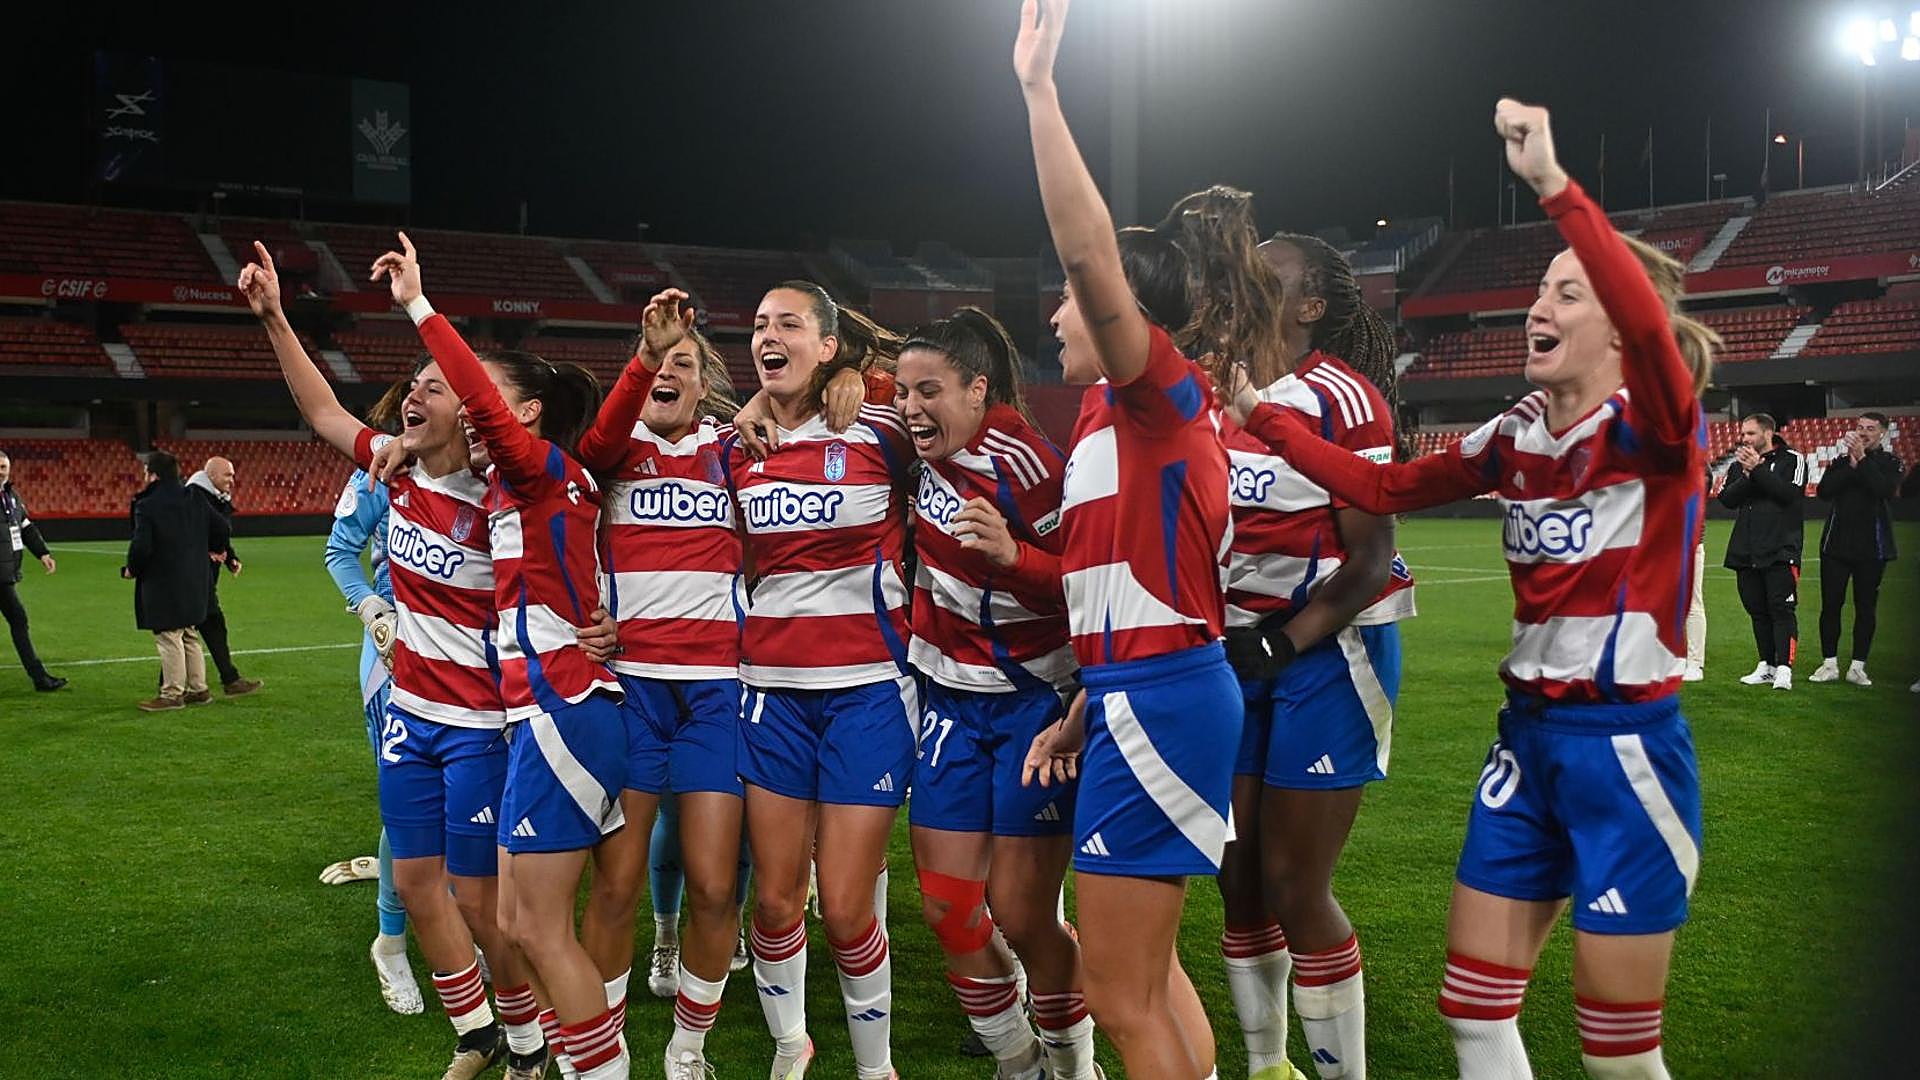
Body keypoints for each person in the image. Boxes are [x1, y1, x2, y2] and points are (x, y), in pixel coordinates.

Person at [1225, 98, 1716, 1080]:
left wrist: (1552, 188)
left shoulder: (1658, 432)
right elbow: (1382, 488)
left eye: (1570, 295)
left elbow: (1655, 342)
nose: (1541, 305)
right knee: (1474, 1013)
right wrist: (1262, 418)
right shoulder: (1518, 432)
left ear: (1625, 327)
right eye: (1541, 288)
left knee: (1618, 1051)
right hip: (1525, 741)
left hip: (1624, 744)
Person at [240, 240, 541, 1080]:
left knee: (481, 905)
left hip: (486, 726)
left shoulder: (506, 501)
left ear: (475, 412)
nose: (415, 390)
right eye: (415, 382)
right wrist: (273, 319)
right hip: (412, 715)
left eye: (435, 386)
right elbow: (324, 414)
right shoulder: (394, 477)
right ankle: (478, 1032)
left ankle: (527, 1044)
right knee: (415, 886)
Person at [1014, 3, 1240, 1076]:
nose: (1055, 311)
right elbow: (1130, 588)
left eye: (1070, 299)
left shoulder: (1154, 397)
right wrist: (1079, 706)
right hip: (1136, 695)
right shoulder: (1114, 416)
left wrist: (1040, 91)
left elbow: (1087, 250)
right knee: (1148, 981)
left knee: (1115, 992)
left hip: (1162, 699)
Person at [371, 233, 632, 1080]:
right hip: (542, 715)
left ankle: (594, 1067)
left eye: (486, 404)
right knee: (520, 927)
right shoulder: (544, 479)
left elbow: (482, 406)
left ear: (517, 415)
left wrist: (418, 305)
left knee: (538, 931)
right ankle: (550, 1058)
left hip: (561, 711)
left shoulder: (535, 472)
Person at [1212, 211, 1416, 1080]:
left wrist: (1283, 643)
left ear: (1311, 308)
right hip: (1234, 654)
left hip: (1329, 654)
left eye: (1271, 277)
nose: (1246, 289)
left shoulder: (1345, 399)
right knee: (1236, 877)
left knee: (1297, 884)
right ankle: (1268, 1066)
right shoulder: (1210, 392)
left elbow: (1370, 557)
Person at [892, 307, 1100, 1080]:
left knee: (1020, 911)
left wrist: (1015, 556)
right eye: (903, 390)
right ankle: (1019, 1062)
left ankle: (1073, 1063)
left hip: (1031, 705)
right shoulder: (917, 443)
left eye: (930, 391)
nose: (911, 407)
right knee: (949, 908)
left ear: (978, 390)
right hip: (948, 702)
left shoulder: (1026, 460)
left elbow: (1087, 580)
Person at [723, 279, 914, 1080]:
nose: (769, 335)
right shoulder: (739, 447)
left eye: (790, 324)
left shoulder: (882, 431)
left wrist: (866, 380)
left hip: (870, 689)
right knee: (772, 901)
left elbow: (940, 383)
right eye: (760, 323)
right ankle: (789, 1045)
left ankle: (877, 1068)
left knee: (843, 903)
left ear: (829, 345)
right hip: (770, 691)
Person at [572, 294, 755, 1078]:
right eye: (658, 362)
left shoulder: (735, 450)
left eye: (686, 361)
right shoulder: (611, 452)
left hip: (716, 691)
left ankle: (687, 1051)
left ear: (708, 383)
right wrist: (648, 354)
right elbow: (601, 434)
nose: (668, 371)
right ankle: (603, 1051)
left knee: (716, 887)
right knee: (613, 890)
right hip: (631, 690)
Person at [321, 376, 423, 1016]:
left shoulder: (483, 467)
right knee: (405, 809)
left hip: (477, 665)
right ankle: (390, 941)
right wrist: (370, 606)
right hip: (394, 662)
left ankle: (479, 931)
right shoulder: (384, 466)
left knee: (483, 801)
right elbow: (340, 552)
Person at [124, 450, 231, 712]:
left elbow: (142, 546)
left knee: (169, 635)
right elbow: (222, 527)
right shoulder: (194, 496)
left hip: (163, 580)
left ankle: (172, 694)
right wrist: (215, 549)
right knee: (189, 634)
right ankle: (199, 689)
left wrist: (132, 569)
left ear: (153, 474)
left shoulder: (147, 505)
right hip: (196, 578)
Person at [1810, 412, 1902, 687]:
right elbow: (1825, 491)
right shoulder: (1840, 462)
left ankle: (1858, 666)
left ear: (1882, 433)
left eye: (1870, 429)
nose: (1863, 432)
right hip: (1836, 545)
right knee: (1831, 606)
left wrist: (1861, 460)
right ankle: (1829, 664)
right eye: (1860, 427)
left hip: (1872, 547)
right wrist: (1851, 464)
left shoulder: (1890, 462)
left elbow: (1883, 489)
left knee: (1865, 607)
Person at [1720, 412, 1806, 691]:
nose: (1744, 439)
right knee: (1757, 610)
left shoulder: (1792, 459)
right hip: (1746, 550)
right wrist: (1748, 475)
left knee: (1781, 610)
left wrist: (1758, 471)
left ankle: (1784, 668)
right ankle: (1766, 665)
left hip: (1781, 548)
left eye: (1750, 434)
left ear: (1768, 433)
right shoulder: (1740, 464)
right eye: (1743, 434)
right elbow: (1727, 500)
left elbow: (1789, 495)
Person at [186, 456, 263, 697]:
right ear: (211, 476)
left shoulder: (212, 496)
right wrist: (205, 553)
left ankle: (224, 680)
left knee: (193, 626)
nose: (232, 480)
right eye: (227, 475)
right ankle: (227, 679)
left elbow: (219, 534)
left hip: (205, 572)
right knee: (195, 625)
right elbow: (190, 532)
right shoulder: (195, 496)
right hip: (195, 573)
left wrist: (229, 557)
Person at [0, 449, 66, 693]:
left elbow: (26, 527)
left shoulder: (12, 497)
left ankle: (39, 677)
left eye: (4, 467)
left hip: (5, 575)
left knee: (19, 620)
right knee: (19, 620)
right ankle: (39, 678)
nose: (0, 472)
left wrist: (43, 553)